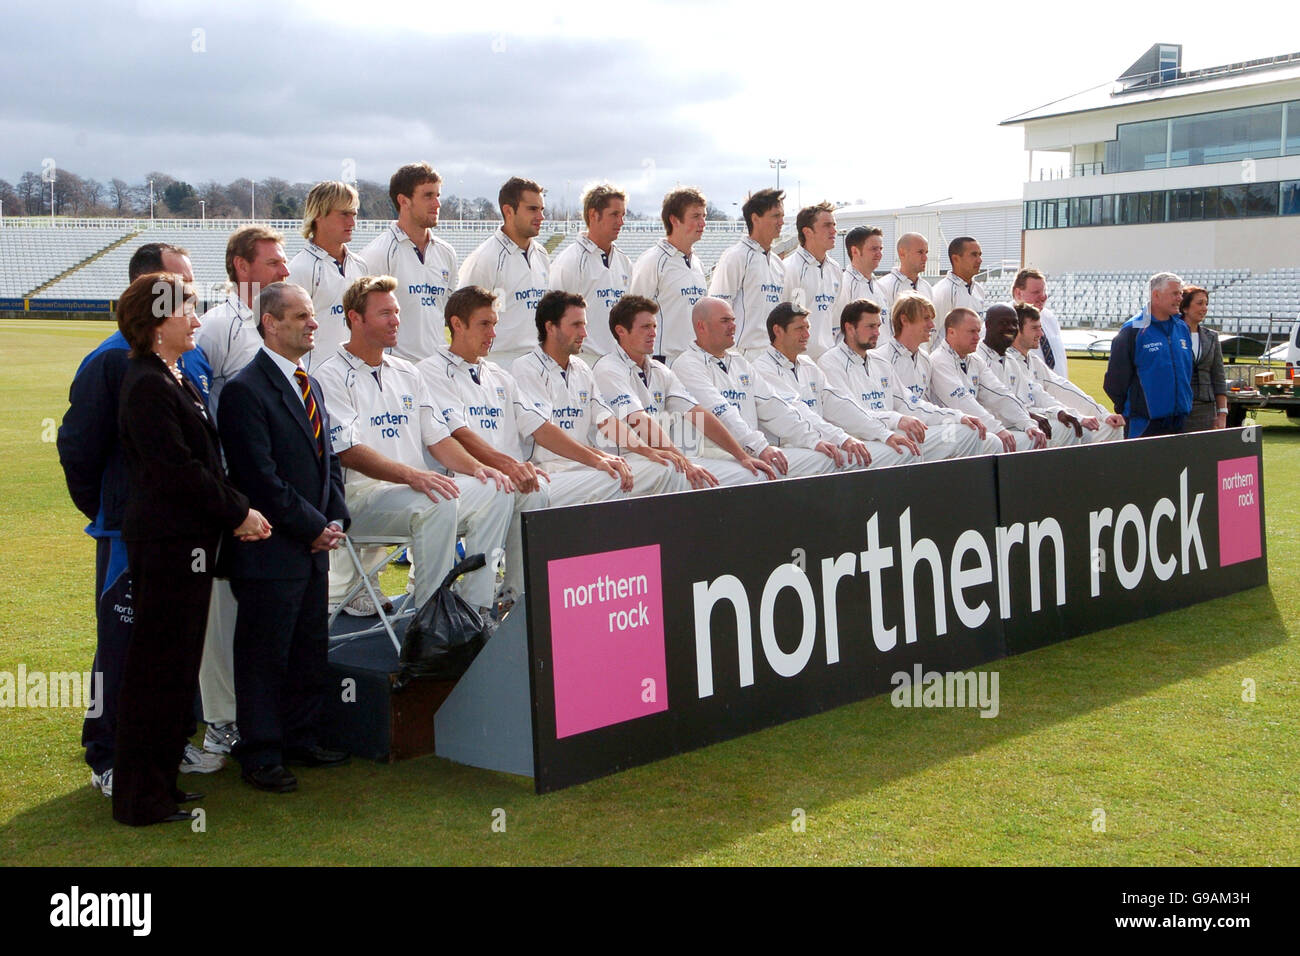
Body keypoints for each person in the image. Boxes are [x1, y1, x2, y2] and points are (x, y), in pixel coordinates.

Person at [57, 243, 223, 802]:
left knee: (172, 645)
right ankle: (108, 754)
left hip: (184, 533)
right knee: (124, 646)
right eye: (180, 289)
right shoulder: (111, 361)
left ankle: (167, 745)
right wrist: (113, 513)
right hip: (133, 535)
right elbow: (79, 450)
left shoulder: (185, 358)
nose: (192, 304)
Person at [112, 272, 270, 825]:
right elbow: (177, 471)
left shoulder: (173, 376)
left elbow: (202, 464)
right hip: (168, 545)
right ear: (158, 322)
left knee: (175, 669)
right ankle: (140, 798)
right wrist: (239, 512)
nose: (198, 321)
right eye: (188, 311)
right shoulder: (148, 384)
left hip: (188, 544)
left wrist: (235, 510)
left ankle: (160, 783)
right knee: (157, 669)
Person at [314, 276, 515, 619]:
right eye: (384, 314)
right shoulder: (328, 374)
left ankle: (473, 608)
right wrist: (414, 477)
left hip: (410, 492)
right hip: (357, 501)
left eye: (396, 312)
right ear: (355, 318)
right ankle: (432, 619)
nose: (395, 321)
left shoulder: (407, 372)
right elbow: (349, 451)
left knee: (497, 489)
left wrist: (478, 468)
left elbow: (438, 438)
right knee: (437, 499)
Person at [218, 282, 351, 793]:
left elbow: (329, 462)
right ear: (270, 323)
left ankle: (301, 737)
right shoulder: (245, 391)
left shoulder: (309, 383)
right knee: (264, 656)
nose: (312, 324)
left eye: (313, 316)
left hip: (311, 547)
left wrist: (334, 518)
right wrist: (313, 527)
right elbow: (258, 479)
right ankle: (260, 753)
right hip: (272, 551)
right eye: (300, 316)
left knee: (306, 649)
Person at [418, 285, 629, 603]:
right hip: (461, 481)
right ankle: (476, 605)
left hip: (506, 478)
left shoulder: (499, 376)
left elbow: (539, 428)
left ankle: (517, 596)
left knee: (540, 487)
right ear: (457, 324)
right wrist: (507, 466)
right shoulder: (430, 370)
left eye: (494, 324)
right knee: (502, 488)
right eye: (484, 324)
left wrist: (597, 459)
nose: (492, 333)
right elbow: (459, 434)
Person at [192, 225, 291, 758]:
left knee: (263, 603)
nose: (284, 269)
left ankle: (262, 712)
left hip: (276, 489)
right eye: (273, 262)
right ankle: (220, 719)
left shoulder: (286, 318)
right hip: (232, 491)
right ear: (240, 267)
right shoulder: (215, 326)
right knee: (221, 604)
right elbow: (199, 408)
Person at [510, 291, 686, 496]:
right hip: (551, 471)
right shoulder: (525, 367)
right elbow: (543, 432)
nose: (584, 333)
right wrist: (598, 458)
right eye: (576, 325)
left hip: (585, 467)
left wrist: (649, 451)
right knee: (617, 478)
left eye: (584, 325)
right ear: (550, 327)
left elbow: (607, 422)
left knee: (665, 466)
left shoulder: (582, 368)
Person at [592, 295, 774, 487]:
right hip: (624, 462)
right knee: (674, 470)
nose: (653, 333)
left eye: (654, 326)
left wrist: (743, 456)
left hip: (656, 459)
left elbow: (698, 414)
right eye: (645, 327)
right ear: (621, 331)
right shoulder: (608, 368)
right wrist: (685, 462)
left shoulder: (660, 370)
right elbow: (639, 421)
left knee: (750, 473)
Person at [671, 297, 838, 480]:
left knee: (829, 458)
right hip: (710, 456)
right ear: (701, 326)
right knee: (759, 474)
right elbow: (721, 412)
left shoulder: (740, 362)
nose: (733, 326)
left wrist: (813, 440)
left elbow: (774, 406)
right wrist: (759, 447)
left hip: (748, 452)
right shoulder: (686, 365)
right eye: (725, 321)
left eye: (734, 320)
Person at [817, 300, 980, 462]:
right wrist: (896, 420)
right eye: (870, 327)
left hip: (890, 435)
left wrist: (956, 416)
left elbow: (909, 403)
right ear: (850, 328)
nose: (877, 333)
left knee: (968, 432)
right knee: (906, 449)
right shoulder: (830, 362)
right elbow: (849, 415)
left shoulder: (880, 362)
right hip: (858, 442)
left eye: (878, 326)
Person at [751, 302, 877, 469]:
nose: (807, 334)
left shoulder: (808, 364)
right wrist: (838, 438)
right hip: (786, 453)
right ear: (778, 331)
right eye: (799, 329)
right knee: (849, 459)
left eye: (808, 328)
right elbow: (794, 412)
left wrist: (883, 432)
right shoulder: (761, 369)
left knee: (872, 450)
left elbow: (837, 403)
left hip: (815, 444)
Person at [359, 162, 459, 363]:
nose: (437, 204)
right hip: (395, 370)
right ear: (404, 201)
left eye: (438, 195)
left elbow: (449, 314)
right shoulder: (379, 253)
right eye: (428, 196)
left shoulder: (446, 253)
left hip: (437, 369)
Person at [880, 293, 1000, 453]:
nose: (932, 325)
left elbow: (929, 402)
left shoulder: (925, 359)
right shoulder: (882, 359)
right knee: (967, 433)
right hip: (898, 431)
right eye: (926, 318)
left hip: (927, 427)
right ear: (904, 320)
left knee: (990, 441)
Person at [930, 307, 1054, 451]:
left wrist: (1027, 423)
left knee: (1032, 438)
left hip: (970, 428)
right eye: (971, 331)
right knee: (995, 442)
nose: (977, 336)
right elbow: (962, 402)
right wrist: (997, 429)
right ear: (951, 332)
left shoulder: (974, 360)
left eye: (978, 331)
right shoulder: (940, 360)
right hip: (947, 431)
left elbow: (998, 393)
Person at [458, 176, 551, 368]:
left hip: (538, 365)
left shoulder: (541, 255)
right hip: (498, 364)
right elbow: (464, 321)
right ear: (508, 211)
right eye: (532, 209)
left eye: (541, 210)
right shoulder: (485, 259)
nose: (541, 217)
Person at [1008, 303, 1124, 443]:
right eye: (1034, 328)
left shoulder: (1032, 359)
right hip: (1020, 427)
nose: (1041, 334)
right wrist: (1076, 417)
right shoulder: (1006, 361)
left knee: (1111, 428)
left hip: (1044, 418)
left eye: (1041, 328)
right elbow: (1035, 399)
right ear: (1017, 330)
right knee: (1074, 429)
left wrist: (1102, 414)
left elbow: (1062, 387)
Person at [287, 181, 368, 371]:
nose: (352, 222)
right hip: (316, 377)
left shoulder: (360, 266)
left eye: (354, 214)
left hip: (355, 375)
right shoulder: (299, 269)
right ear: (318, 215)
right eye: (344, 214)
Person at [548, 183, 632, 361]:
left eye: (623, 215)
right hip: (584, 362)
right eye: (614, 215)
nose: (621, 222)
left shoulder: (624, 262)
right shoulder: (570, 262)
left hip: (618, 363)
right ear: (593, 215)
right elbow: (555, 320)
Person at [1104, 272, 1194, 437]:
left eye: (1181, 293)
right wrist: (1134, 410)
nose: (1180, 298)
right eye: (1175, 293)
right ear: (1156, 295)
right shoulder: (1133, 330)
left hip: (1179, 422)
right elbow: (1114, 381)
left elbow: (1187, 372)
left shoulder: (1182, 329)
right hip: (1144, 424)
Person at [627, 186, 710, 361]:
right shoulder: (653, 261)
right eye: (695, 216)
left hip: (695, 360)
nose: (702, 223)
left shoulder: (698, 264)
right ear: (674, 220)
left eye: (704, 216)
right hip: (662, 359)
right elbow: (633, 315)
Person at [708, 188, 787, 358]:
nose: (781, 222)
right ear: (755, 218)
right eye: (775, 216)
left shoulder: (778, 264)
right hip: (741, 355)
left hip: (772, 355)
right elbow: (717, 308)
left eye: (782, 216)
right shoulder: (736, 257)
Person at [782, 202, 842, 360]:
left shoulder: (835, 270)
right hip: (799, 360)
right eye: (827, 225)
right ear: (808, 232)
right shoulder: (789, 269)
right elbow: (790, 317)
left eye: (834, 225)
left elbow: (832, 318)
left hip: (828, 360)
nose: (834, 231)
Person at [830, 226, 889, 345]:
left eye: (880, 249)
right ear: (855, 251)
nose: (879, 254)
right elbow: (837, 333)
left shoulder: (880, 287)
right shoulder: (844, 286)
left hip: (882, 361)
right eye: (873, 249)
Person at [1180, 286, 1228, 431]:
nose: (1204, 308)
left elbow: (1218, 377)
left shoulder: (1212, 337)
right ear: (1185, 307)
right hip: (1181, 408)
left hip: (1207, 409)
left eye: (1206, 304)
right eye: (1199, 303)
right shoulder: (1173, 334)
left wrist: (1222, 413)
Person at [929, 236, 986, 351]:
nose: (979, 260)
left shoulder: (979, 290)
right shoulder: (943, 291)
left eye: (980, 255)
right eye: (974, 255)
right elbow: (930, 335)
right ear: (956, 259)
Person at [1011, 267, 1067, 376]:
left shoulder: (1049, 318)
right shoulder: (1005, 320)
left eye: (1044, 291)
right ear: (1018, 293)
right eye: (1036, 292)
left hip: (1057, 388)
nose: (1043, 296)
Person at [877, 232, 934, 319]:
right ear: (902, 253)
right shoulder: (884, 287)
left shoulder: (926, 287)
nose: (925, 258)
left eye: (926, 252)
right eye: (920, 252)